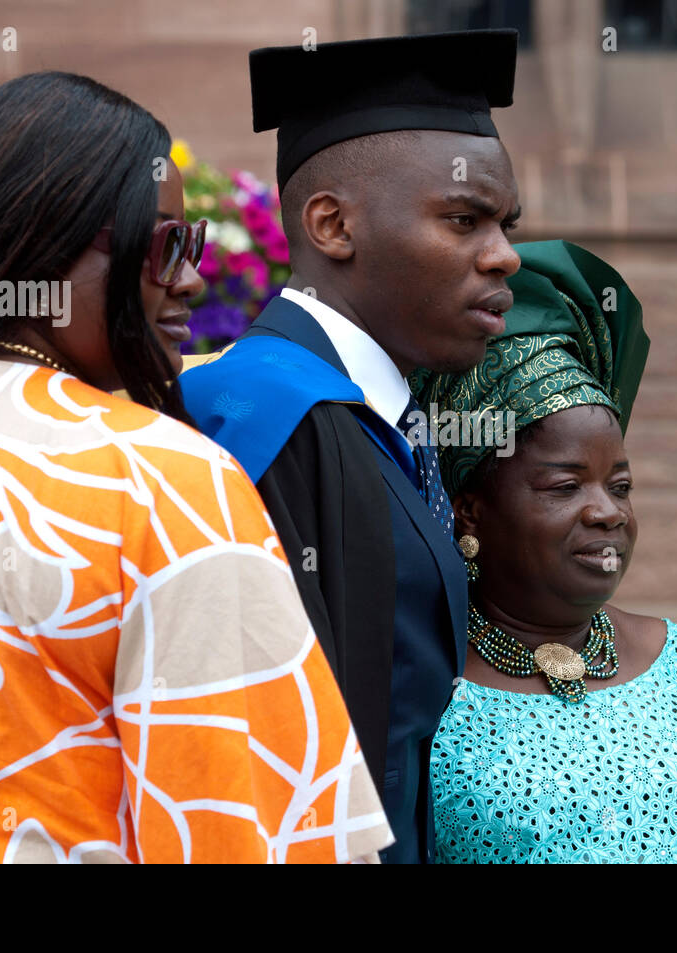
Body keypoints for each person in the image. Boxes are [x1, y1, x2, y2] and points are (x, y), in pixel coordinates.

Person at [0, 72, 391, 863]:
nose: (193, 277)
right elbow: (241, 829)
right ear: (43, 240)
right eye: (168, 244)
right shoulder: (165, 481)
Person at [180, 30, 522, 863]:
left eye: (506, 223)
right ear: (332, 224)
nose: (505, 254)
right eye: (463, 219)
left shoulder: (379, 419)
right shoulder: (263, 421)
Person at [416, 240, 677, 863]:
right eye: (566, 487)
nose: (607, 511)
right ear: (471, 509)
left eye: (619, 486)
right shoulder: (425, 687)